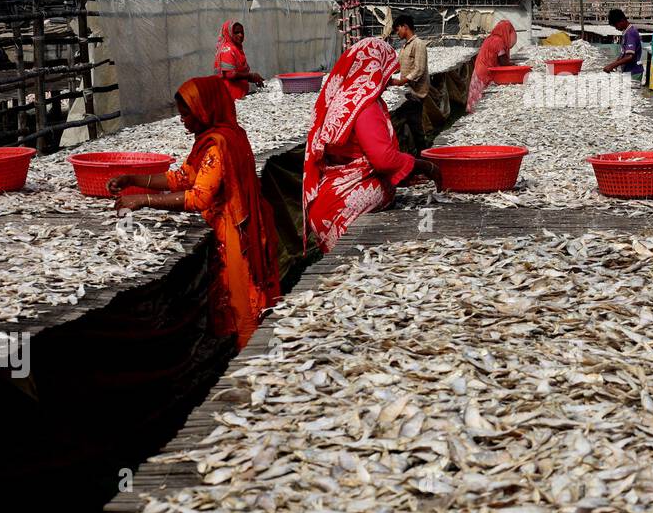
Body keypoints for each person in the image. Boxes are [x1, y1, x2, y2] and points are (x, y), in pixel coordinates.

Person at [109, 76, 281, 349]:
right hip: (245, 223)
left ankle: (252, 361)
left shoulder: (217, 145)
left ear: (205, 109)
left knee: (243, 305)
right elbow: (183, 177)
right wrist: (133, 178)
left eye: (187, 113)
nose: (183, 120)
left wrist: (144, 200)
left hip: (236, 235)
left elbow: (199, 197)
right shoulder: (225, 135)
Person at [303, 38, 442, 252]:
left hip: (329, 199)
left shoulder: (342, 98)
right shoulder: (366, 106)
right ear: (373, 68)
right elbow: (384, 160)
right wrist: (426, 167)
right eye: (386, 69)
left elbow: (356, 153)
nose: (389, 77)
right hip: (343, 206)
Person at [389, 13, 430, 152]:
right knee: (413, 125)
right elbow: (399, 65)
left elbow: (419, 69)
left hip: (417, 93)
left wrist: (401, 82)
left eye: (397, 29)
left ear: (405, 27)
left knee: (415, 126)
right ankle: (417, 151)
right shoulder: (406, 46)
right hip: (408, 91)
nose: (397, 33)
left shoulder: (418, 44)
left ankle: (423, 155)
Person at [466, 19, 517, 112]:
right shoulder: (498, 41)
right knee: (481, 98)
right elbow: (503, 61)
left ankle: (474, 112)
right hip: (484, 73)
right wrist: (514, 66)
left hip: (479, 70)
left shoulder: (491, 38)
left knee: (477, 96)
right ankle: (477, 113)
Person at [213, 20, 264, 100]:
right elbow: (230, 74)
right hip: (230, 96)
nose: (240, 35)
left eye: (242, 32)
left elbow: (240, 72)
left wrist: (253, 78)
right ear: (229, 33)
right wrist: (251, 75)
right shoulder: (227, 49)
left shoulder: (237, 49)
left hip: (238, 94)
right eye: (236, 32)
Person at [603, 9, 643, 77]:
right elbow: (623, 53)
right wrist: (615, 64)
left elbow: (629, 56)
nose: (616, 28)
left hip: (633, 71)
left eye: (616, 25)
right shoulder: (626, 32)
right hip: (629, 71)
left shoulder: (631, 33)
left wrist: (613, 65)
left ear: (622, 21)